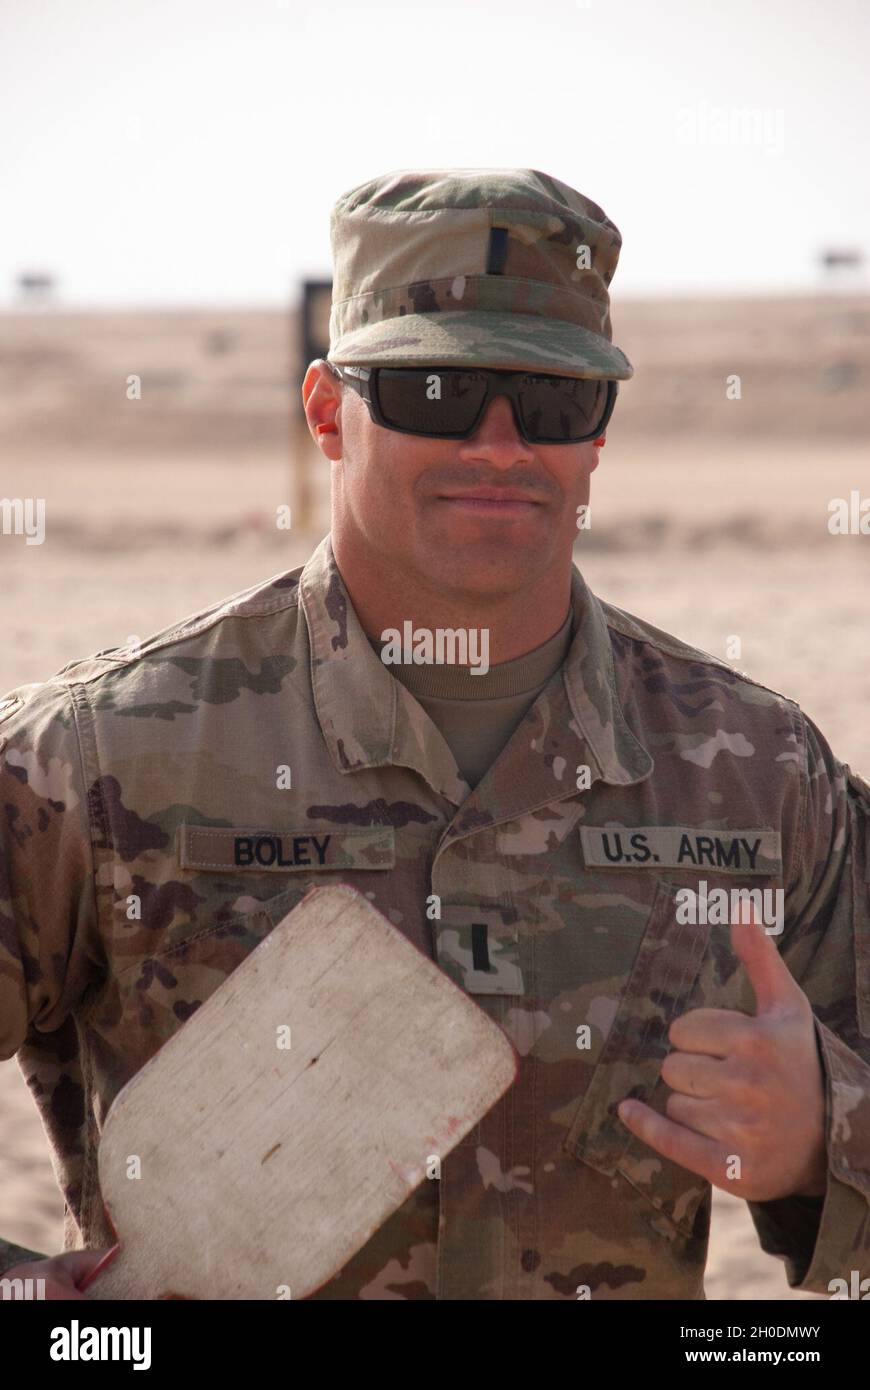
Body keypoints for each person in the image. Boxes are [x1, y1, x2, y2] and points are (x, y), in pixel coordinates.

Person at [1, 167, 869, 1301]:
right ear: (327, 412)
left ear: (598, 436)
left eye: (554, 401)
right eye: (436, 390)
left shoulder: (757, 775)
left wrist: (823, 1140)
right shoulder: (101, 762)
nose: (500, 443)